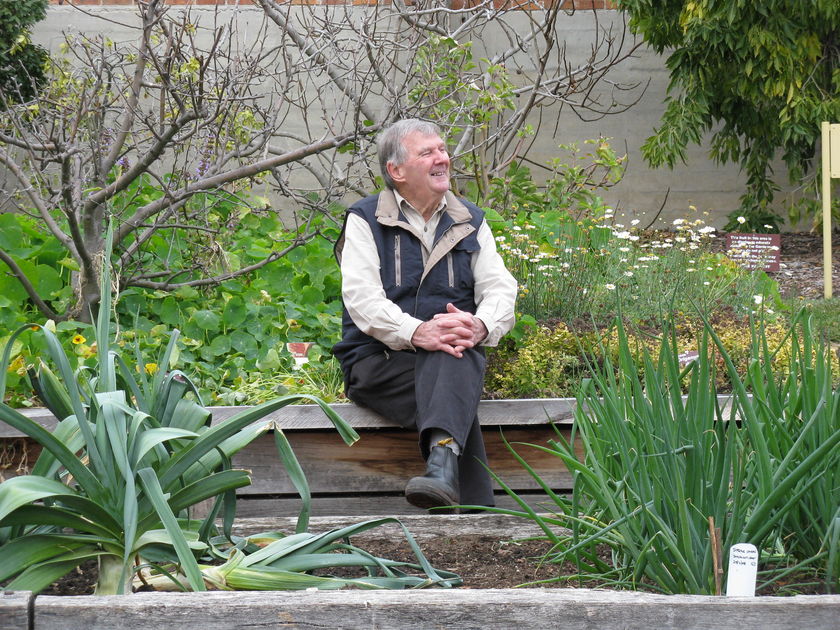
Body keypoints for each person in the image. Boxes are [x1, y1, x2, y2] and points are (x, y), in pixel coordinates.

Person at [332, 118, 517, 511]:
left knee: (453, 352)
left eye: (443, 149)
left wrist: (479, 325)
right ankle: (472, 514)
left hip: (449, 360)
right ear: (396, 171)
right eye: (427, 152)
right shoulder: (365, 220)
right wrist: (418, 332)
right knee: (453, 363)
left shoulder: (471, 221)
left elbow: (500, 288)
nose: (443, 159)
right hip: (378, 364)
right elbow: (362, 299)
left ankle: (442, 472)